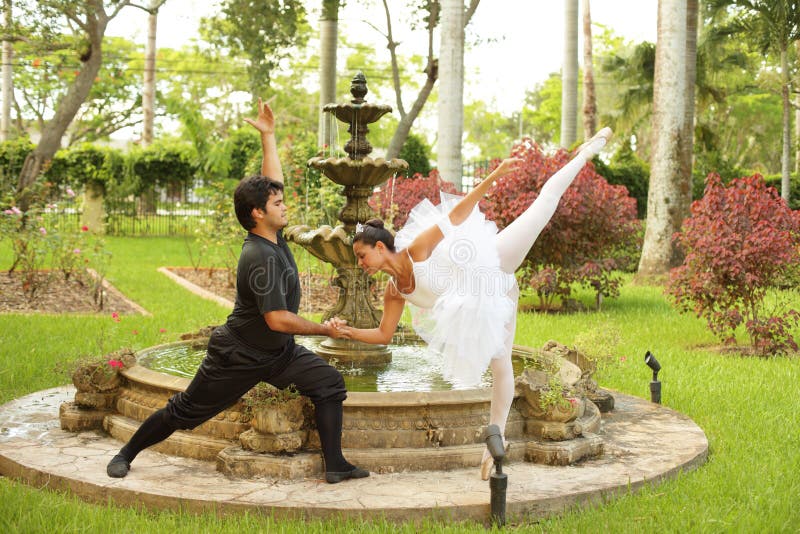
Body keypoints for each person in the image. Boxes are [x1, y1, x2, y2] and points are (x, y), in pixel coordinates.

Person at [106, 99, 369, 484]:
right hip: (238, 355)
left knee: (329, 383)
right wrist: (325, 329)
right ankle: (126, 452)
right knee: (185, 411)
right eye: (277, 203)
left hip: (276, 354)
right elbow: (277, 319)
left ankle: (335, 465)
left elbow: (271, 183)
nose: (284, 205)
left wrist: (268, 136)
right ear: (258, 213)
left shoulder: (272, 236)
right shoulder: (259, 255)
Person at [332, 127, 612, 480]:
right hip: (489, 305)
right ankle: (494, 444)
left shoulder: (416, 249)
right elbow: (385, 334)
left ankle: (586, 152)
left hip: (491, 266)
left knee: (542, 207)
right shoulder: (392, 290)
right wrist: (349, 333)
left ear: (380, 247)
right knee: (500, 365)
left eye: (361, 256)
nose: (361, 264)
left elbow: (458, 214)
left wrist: (492, 177)